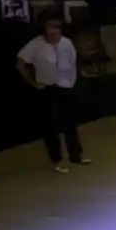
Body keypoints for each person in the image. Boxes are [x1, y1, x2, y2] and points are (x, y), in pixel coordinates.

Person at [17, 12, 90, 173]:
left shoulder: (67, 43)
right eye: (50, 27)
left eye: (57, 27)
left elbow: (73, 62)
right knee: (51, 126)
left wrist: (76, 79)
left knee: (70, 124)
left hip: (67, 87)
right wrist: (32, 82)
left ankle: (76, 155)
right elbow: (21, 61)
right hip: (48, 88)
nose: (53, 31)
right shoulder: (37, 44)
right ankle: (56, 159)